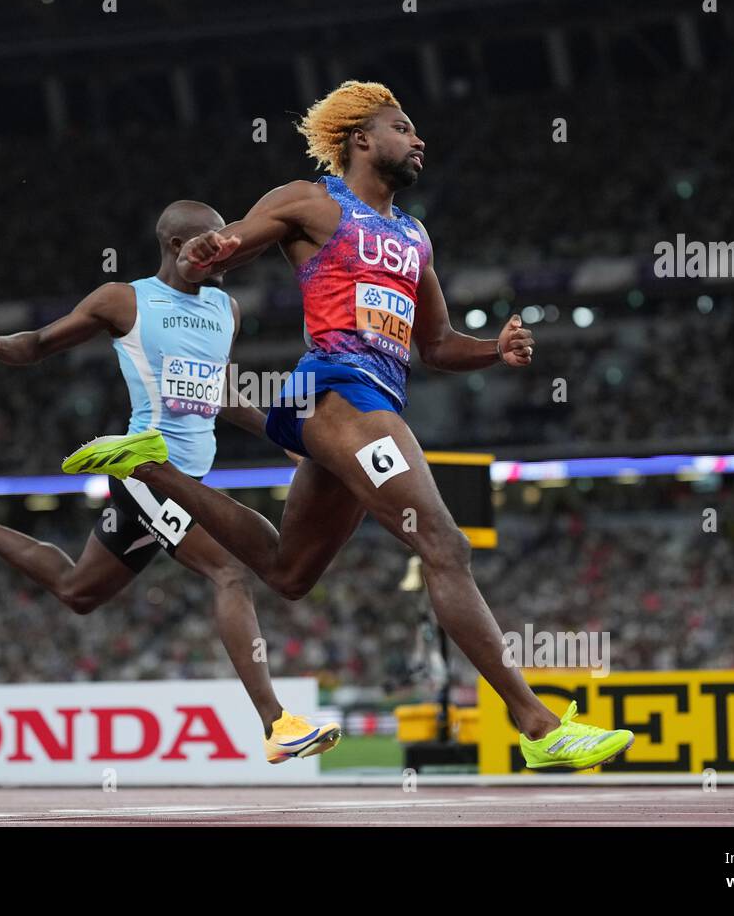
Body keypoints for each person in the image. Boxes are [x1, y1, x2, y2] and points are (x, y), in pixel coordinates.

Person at [62, 81, 635, 771]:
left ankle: (150, 465)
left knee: (287, 571)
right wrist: (210, 249)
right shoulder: (313, 201)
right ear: (362, 139)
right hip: (337, 391)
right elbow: (219, 249)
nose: (418, 140)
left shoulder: (413, 236)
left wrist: (494, 350)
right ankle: (537, 723)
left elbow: (437, 344)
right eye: (403, 127)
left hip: (365, 401)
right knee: (445, 545)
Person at [0, 200, 341, 763]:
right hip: (144, 468)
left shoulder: (226, 307)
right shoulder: (124, 300)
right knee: (230, 570)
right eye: (213, 241)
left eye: (228, 241)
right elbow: (39, 343)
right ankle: (276, 724)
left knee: (78, 590)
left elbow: (221, 393)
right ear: (178, 245)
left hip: (193, 475)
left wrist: (283, 439)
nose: (226, 249)